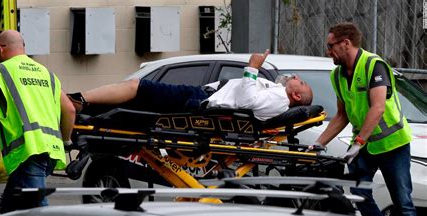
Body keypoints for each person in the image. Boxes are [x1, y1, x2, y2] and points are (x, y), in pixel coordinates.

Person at [0, 30, 76, 214]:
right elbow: (70, 109)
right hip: (50, 152)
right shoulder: (47, 73)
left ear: (1, 48)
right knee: (9, 214)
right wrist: (66, 141)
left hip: (28, 153)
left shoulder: (1, 71)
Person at [314, 22, 417, 216]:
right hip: (364, 145)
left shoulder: (374, 65)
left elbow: (377, 108)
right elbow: (342, 115)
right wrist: (318, 143)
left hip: (392, 144)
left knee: (402, 202)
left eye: (331, 46)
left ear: (345, 43)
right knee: (359, 194)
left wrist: (358, 142)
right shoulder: (337, 75)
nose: (328, 52)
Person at [69, 50, 313, 121]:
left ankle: (78, 100)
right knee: (135, 99)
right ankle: (82, 108)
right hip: (205, 96)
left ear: (297, 96)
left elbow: (247, 101)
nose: (294, 77)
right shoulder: (277, 93)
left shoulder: (280, 98)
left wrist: (252, 67)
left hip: (203, 101)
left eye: (299, 81)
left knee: (136, 87)